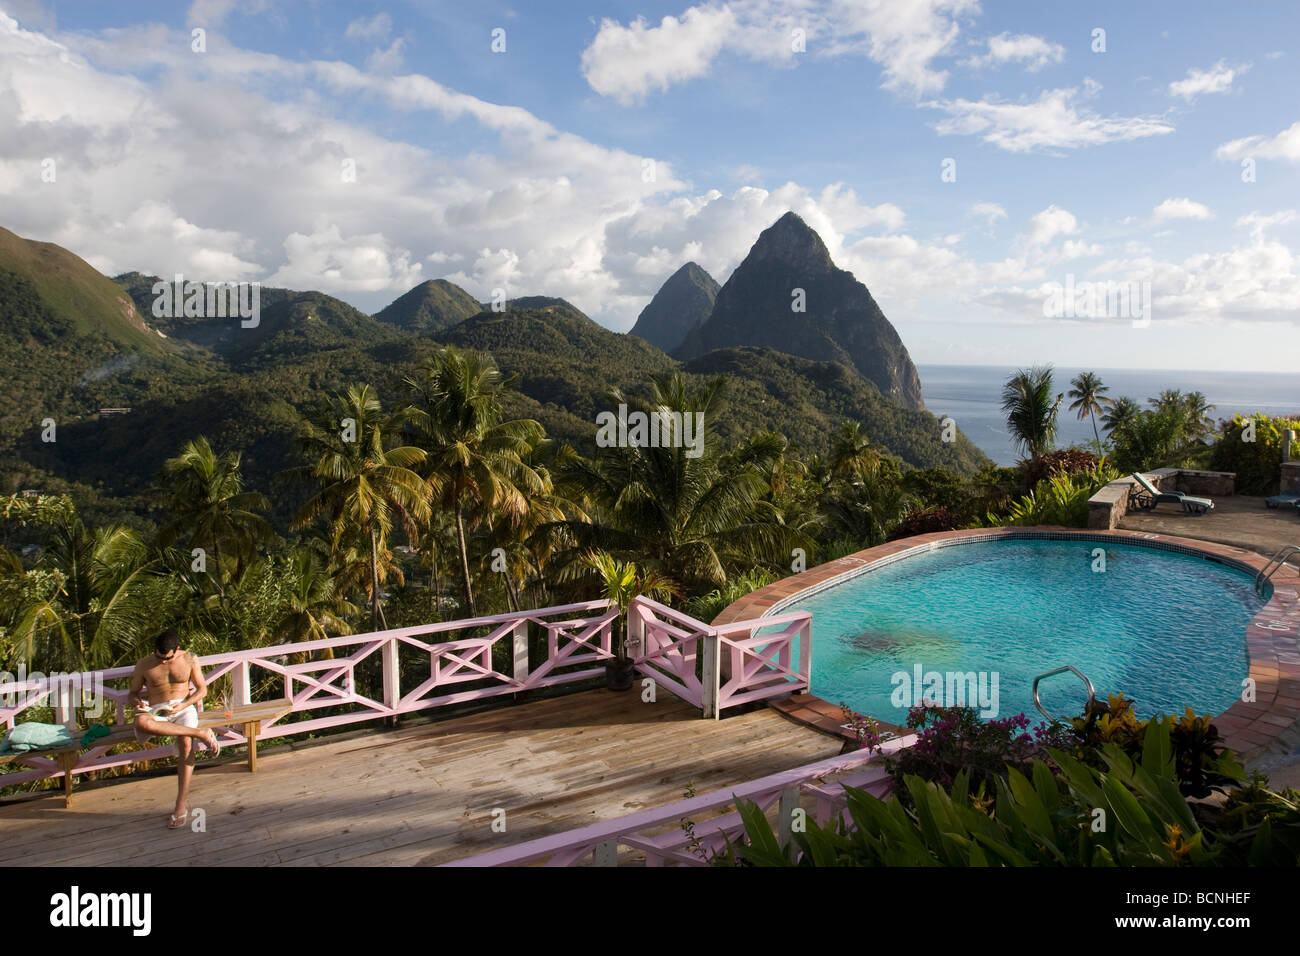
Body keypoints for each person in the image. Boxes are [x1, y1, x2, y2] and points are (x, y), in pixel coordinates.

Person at [129, 630, 221, 829]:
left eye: (167, 657)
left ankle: (180, 805)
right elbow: (132, 693)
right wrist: (138, 704)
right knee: (141, 723)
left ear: (176, 649)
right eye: (158, 656)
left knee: (186, 744)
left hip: (182, 707)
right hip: (156, 709)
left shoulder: (190, 659)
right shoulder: (144, 664)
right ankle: (200, 733)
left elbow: (202, 689)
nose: (162, 661)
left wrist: (184, 703)